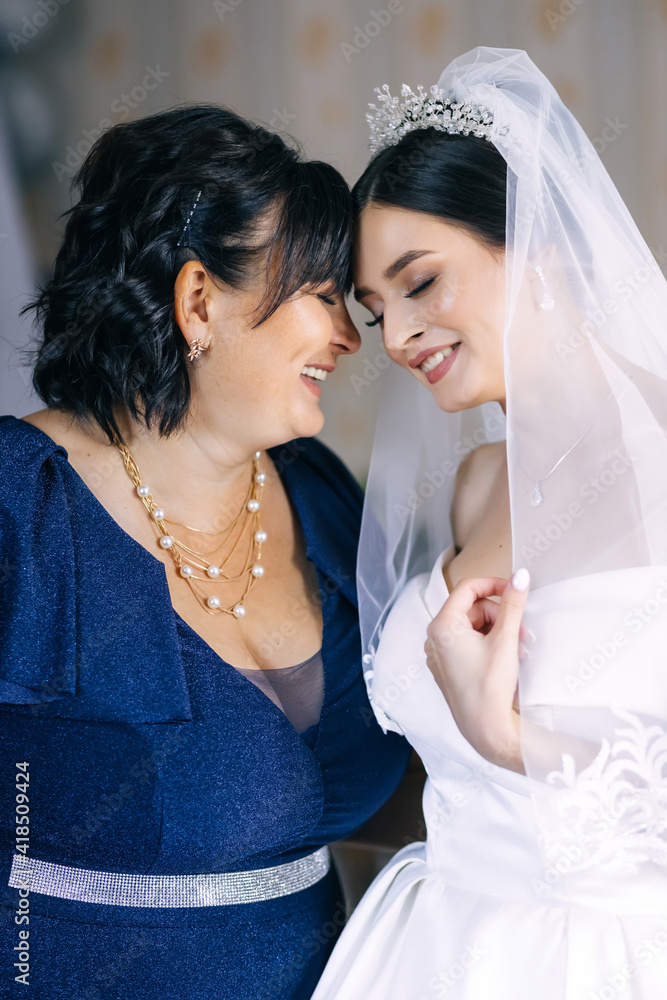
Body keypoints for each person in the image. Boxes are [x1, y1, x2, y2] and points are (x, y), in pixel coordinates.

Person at [0, 105, 412, 1000]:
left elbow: (393, 782)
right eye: (322, 294)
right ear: (198, 301)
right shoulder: (18, 507)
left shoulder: (318, 490)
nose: (348, 338)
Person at [312, 46, 667, 999]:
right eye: (376, 308)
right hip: (429, 949)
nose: (392, 338)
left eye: (420, 283)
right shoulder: (475, 485)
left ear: (538, 247)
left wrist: (503, 737)